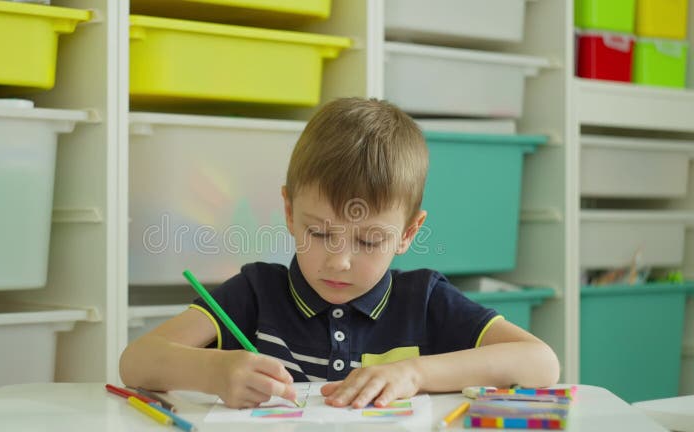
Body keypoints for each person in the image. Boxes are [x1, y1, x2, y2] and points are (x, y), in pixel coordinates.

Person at [120, 97, 560, 409]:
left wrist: (414, 374)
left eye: (368, 241)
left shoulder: (422, 299)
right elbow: (135, 362)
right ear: (290, 212)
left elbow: (541, 363)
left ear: (408, 233)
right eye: (319, 232)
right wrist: (213, 372)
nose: (339, 261)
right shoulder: (256, 292)